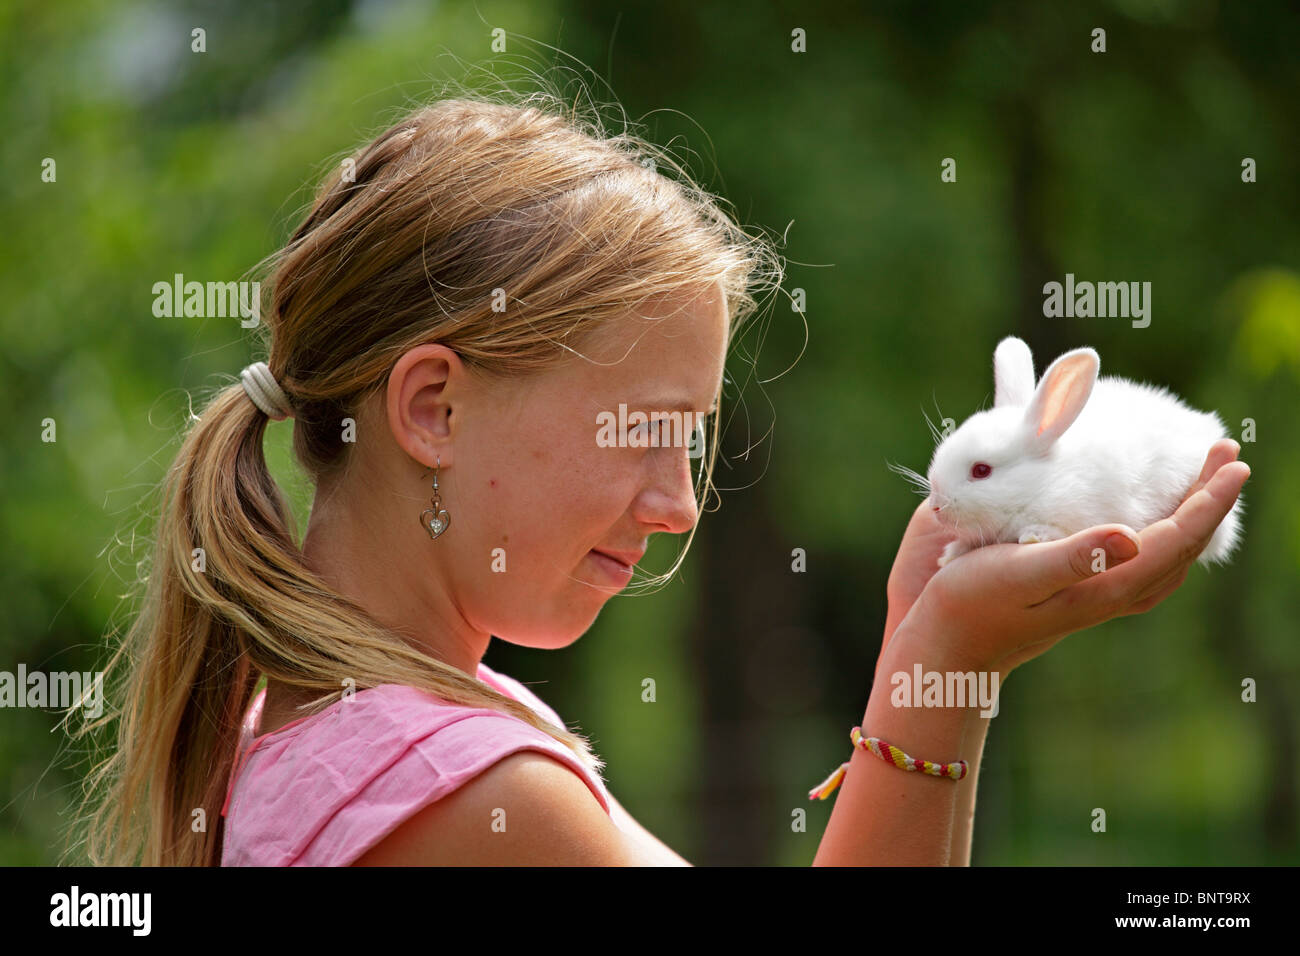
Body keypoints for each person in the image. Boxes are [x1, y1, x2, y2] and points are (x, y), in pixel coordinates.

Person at [73, 89, 1249, 867]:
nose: (679, 501)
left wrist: (911, 637)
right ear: (433, 408)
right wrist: (943, 664)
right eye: (645, 428)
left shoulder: (328, 720)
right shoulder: (471, 794)